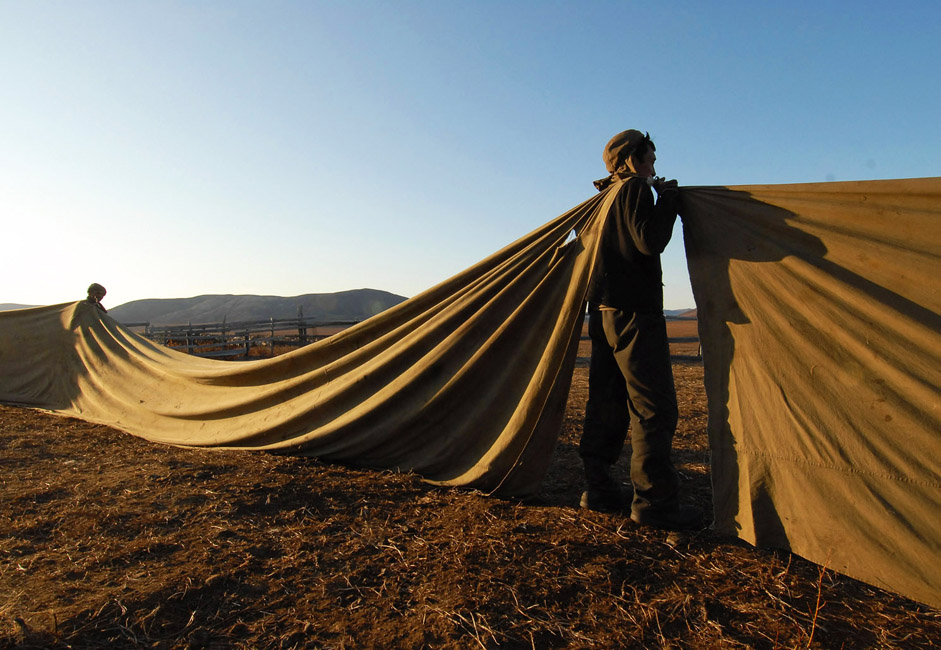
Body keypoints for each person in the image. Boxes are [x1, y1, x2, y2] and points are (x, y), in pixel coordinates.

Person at [580, 129, 703, 530]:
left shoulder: (601, 201)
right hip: (634, 314)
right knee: (653, 410)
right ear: (632, 160)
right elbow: (649, 242)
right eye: (650, 159)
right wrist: (667, 201)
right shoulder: (633, 190)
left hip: (602, 314)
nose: (654, 167)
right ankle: (655, 506)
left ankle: (597, 489)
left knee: (606, 401)